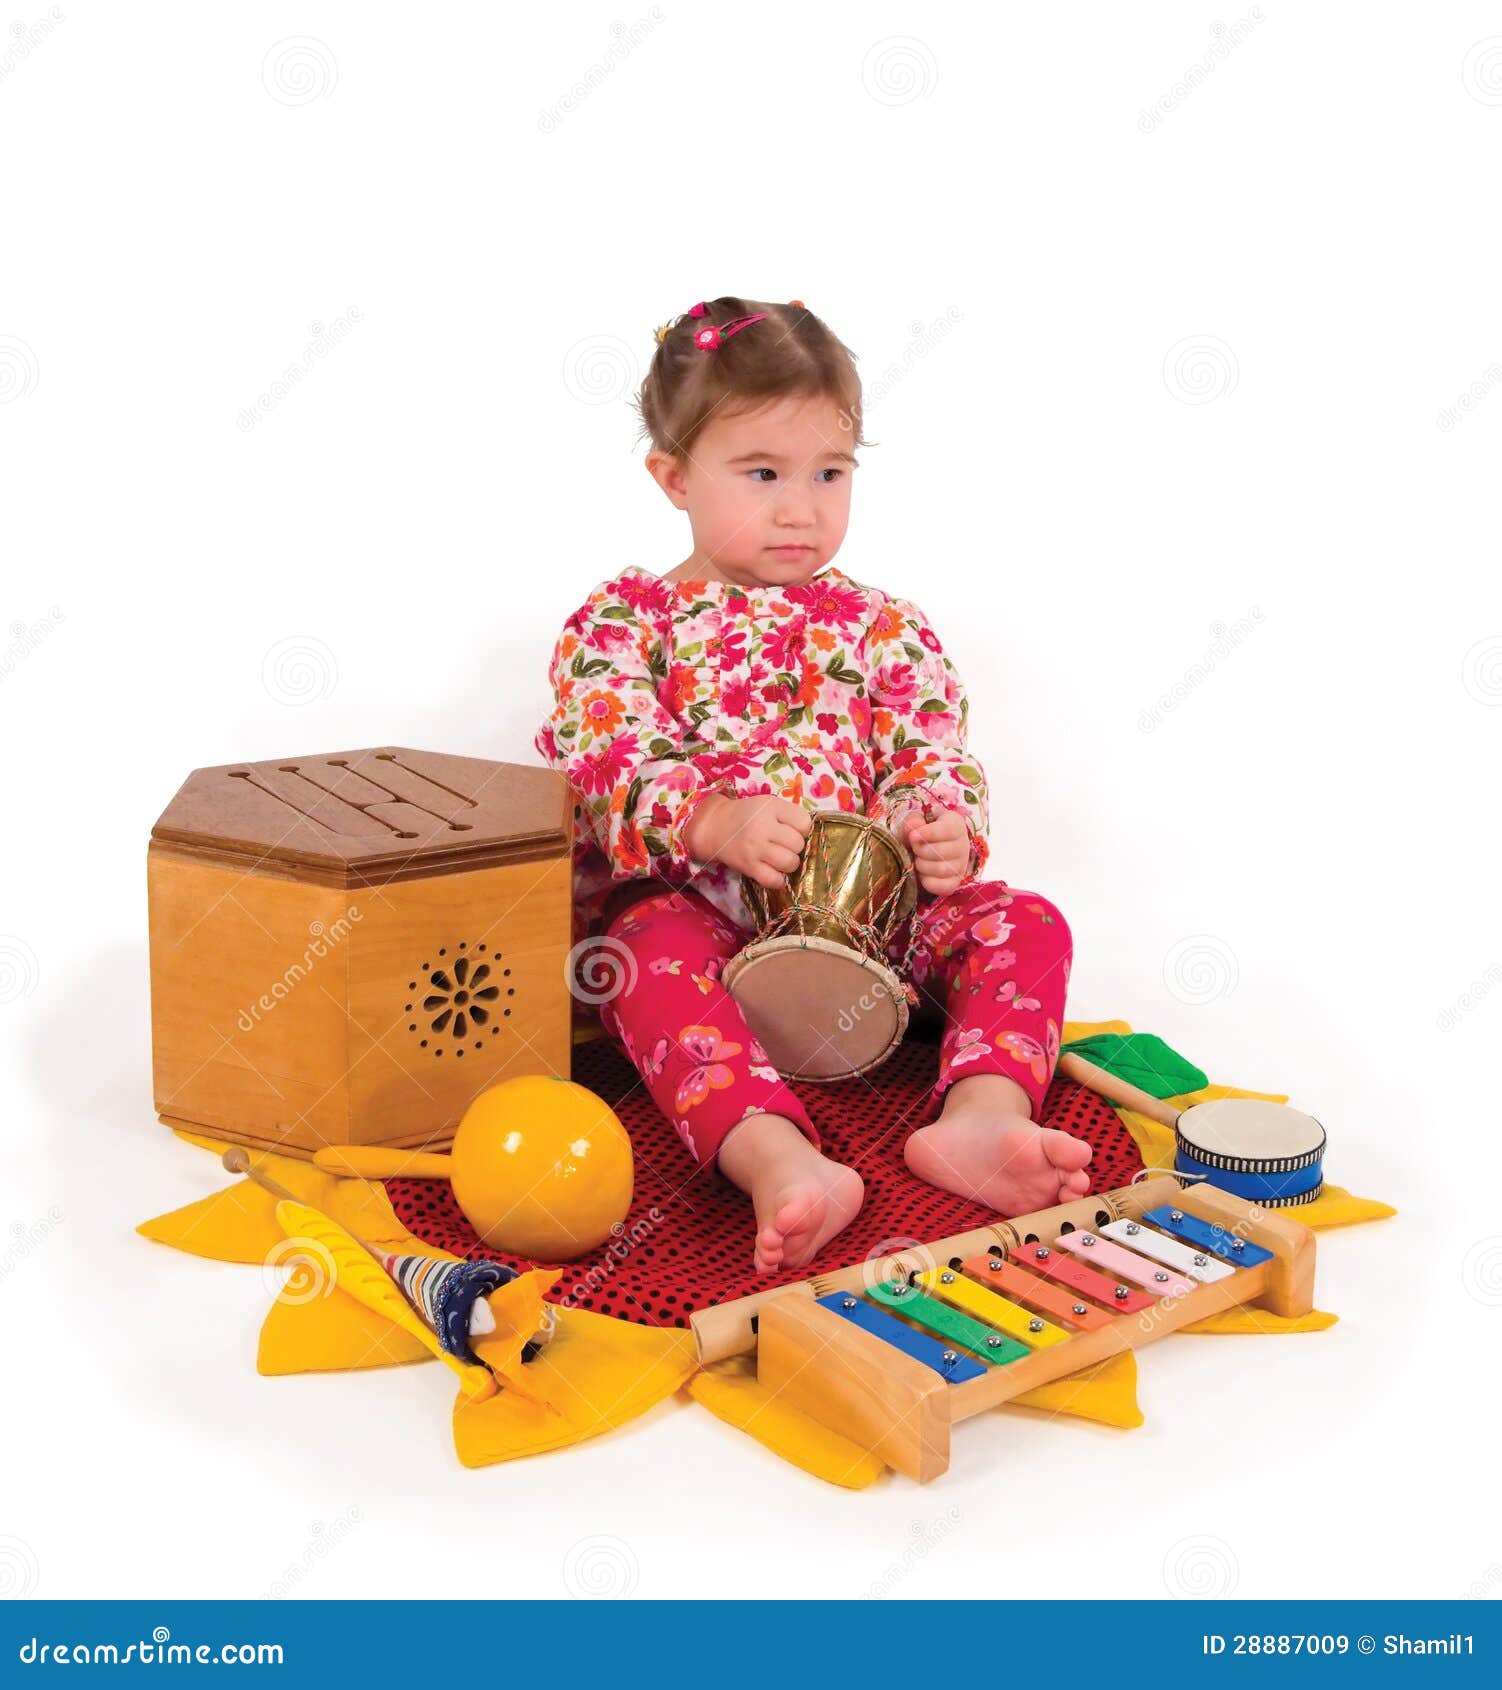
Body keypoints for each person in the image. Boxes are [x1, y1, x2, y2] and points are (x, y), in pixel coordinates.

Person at [535, 297, 1086, 1275]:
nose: (801, 507)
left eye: (828, 473)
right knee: (639, 951)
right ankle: (777, 1157)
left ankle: (977, 1118)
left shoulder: (880, 627)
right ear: (672, 478)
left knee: (1028, 921)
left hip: (871, 929)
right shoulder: (627, 621)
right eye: (762, 474)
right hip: (705, 922)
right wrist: (708, 820)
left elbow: (927, 738)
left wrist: (939, 824)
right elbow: (601, 751)